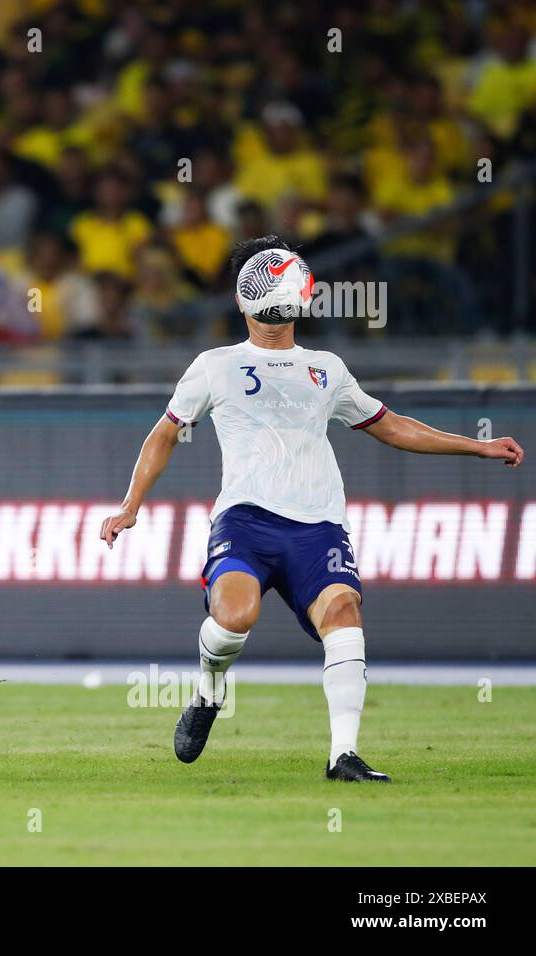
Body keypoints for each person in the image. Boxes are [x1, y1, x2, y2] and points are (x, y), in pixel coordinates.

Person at [100, 236, 524, 782]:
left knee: (344, 615)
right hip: (246, 521)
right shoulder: (215, 366)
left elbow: (389, 425)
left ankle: (342, 755)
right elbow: (165, 435)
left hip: (319, 528)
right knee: (234, 618)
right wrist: (131, 504)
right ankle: (208, 692)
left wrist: (477, 444)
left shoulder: (326, 368)